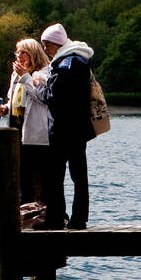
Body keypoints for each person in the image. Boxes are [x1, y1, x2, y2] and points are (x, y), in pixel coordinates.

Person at [35, 24, 94, 229]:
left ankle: (54, 218)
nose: (45, 50)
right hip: (80, 128)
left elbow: (52, 97)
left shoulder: (63, 64)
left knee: (54, 176)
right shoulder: (81, 60)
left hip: (60, 129)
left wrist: (39, 85)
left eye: (46, 45)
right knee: (79, 175)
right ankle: (79, 219)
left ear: (55, 43)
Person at [0, 39, 51, 205]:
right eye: (17, 52)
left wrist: (25, 76)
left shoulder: (44, 72)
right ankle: (24, 211)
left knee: (40, 176)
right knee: (20, 174)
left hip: (37, 133)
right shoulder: (15, 76)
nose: (19, 56)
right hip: (17, 131)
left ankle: (44, 212)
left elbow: (41, 98)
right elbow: (14, 100)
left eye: (23, 52)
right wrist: (4, 108)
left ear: (34, 54)